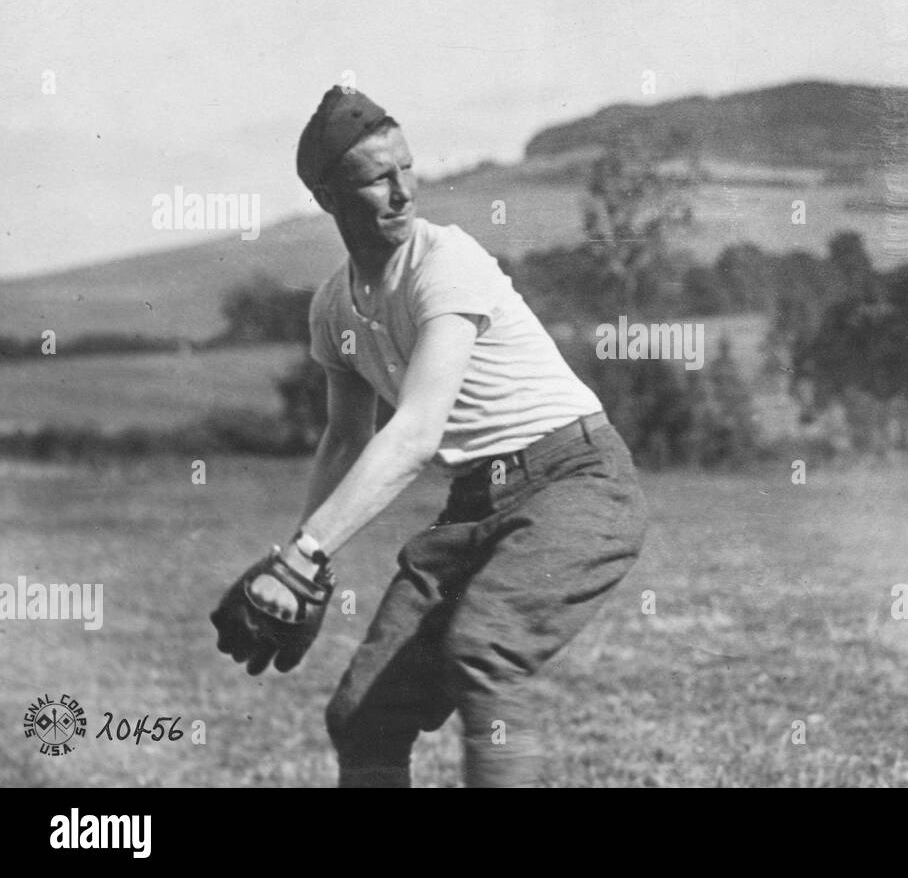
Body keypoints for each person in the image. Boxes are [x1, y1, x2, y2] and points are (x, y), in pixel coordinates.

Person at [210, 86, 649, 787]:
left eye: (407, 168)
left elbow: (415, 432)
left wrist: (302, 556)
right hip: (474, 508)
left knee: (484, 649)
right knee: (362, 715)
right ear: (328, 197)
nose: (402, 190)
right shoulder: (333, 307)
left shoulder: (447, 260)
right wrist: (303, 563)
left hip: (577, 480)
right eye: (377, 178)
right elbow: (347, 440)